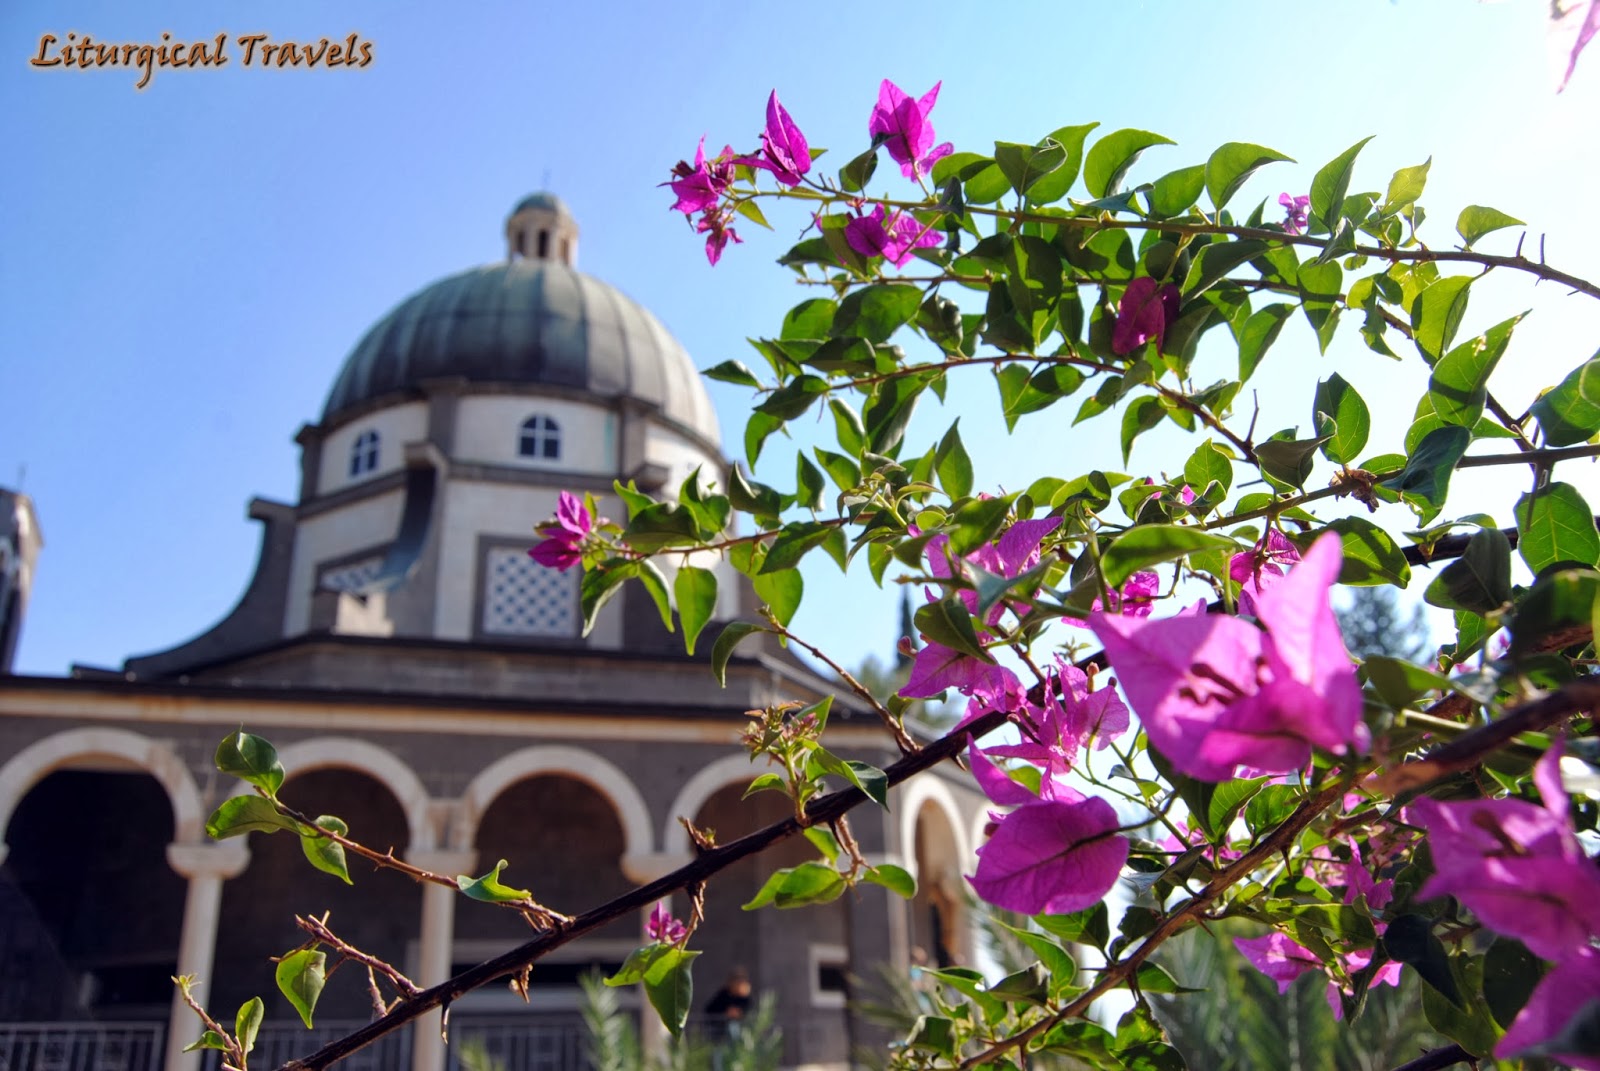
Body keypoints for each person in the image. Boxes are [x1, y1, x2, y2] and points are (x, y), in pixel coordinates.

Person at [706, 967, 753, 1070]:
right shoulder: (724, 994)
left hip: (739, 1034)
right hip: (720, 1031)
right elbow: (710, 1010)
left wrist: (739, 1013)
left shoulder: (744, 997)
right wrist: (726, 1013)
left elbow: (747, 1011)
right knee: (718, 1056)